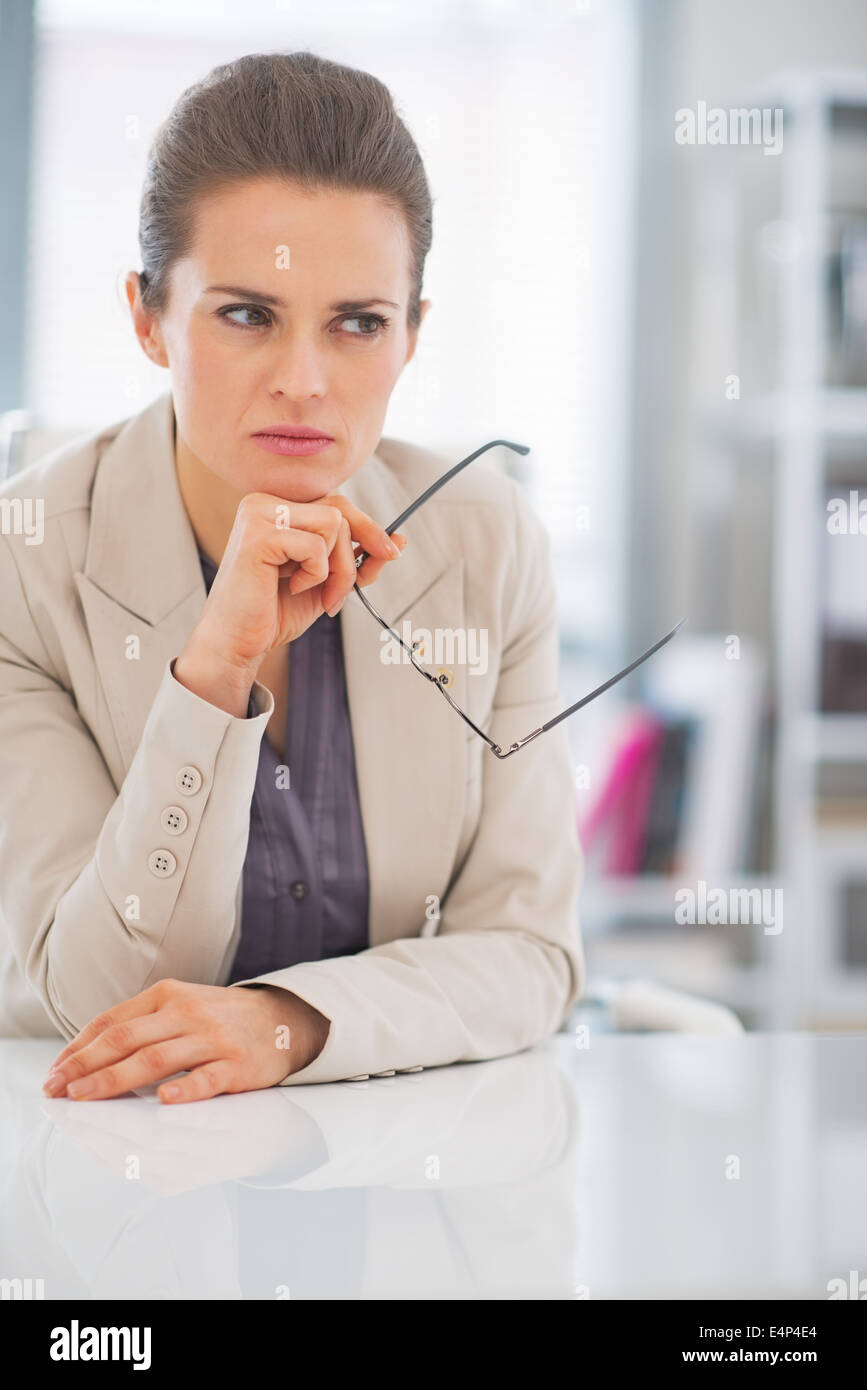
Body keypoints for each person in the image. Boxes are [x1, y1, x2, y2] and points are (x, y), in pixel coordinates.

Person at [0, 50, 585, 1102]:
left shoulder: (488, 540)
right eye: (246, 314)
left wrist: (292, 1023)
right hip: (101, 1175)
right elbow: (96, 997)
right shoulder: (24, 561)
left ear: (412, 335)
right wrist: (210, 679)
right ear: (147, 318)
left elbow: (531, 952)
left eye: (358, 322)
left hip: (398, 1177)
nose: (304, 383)